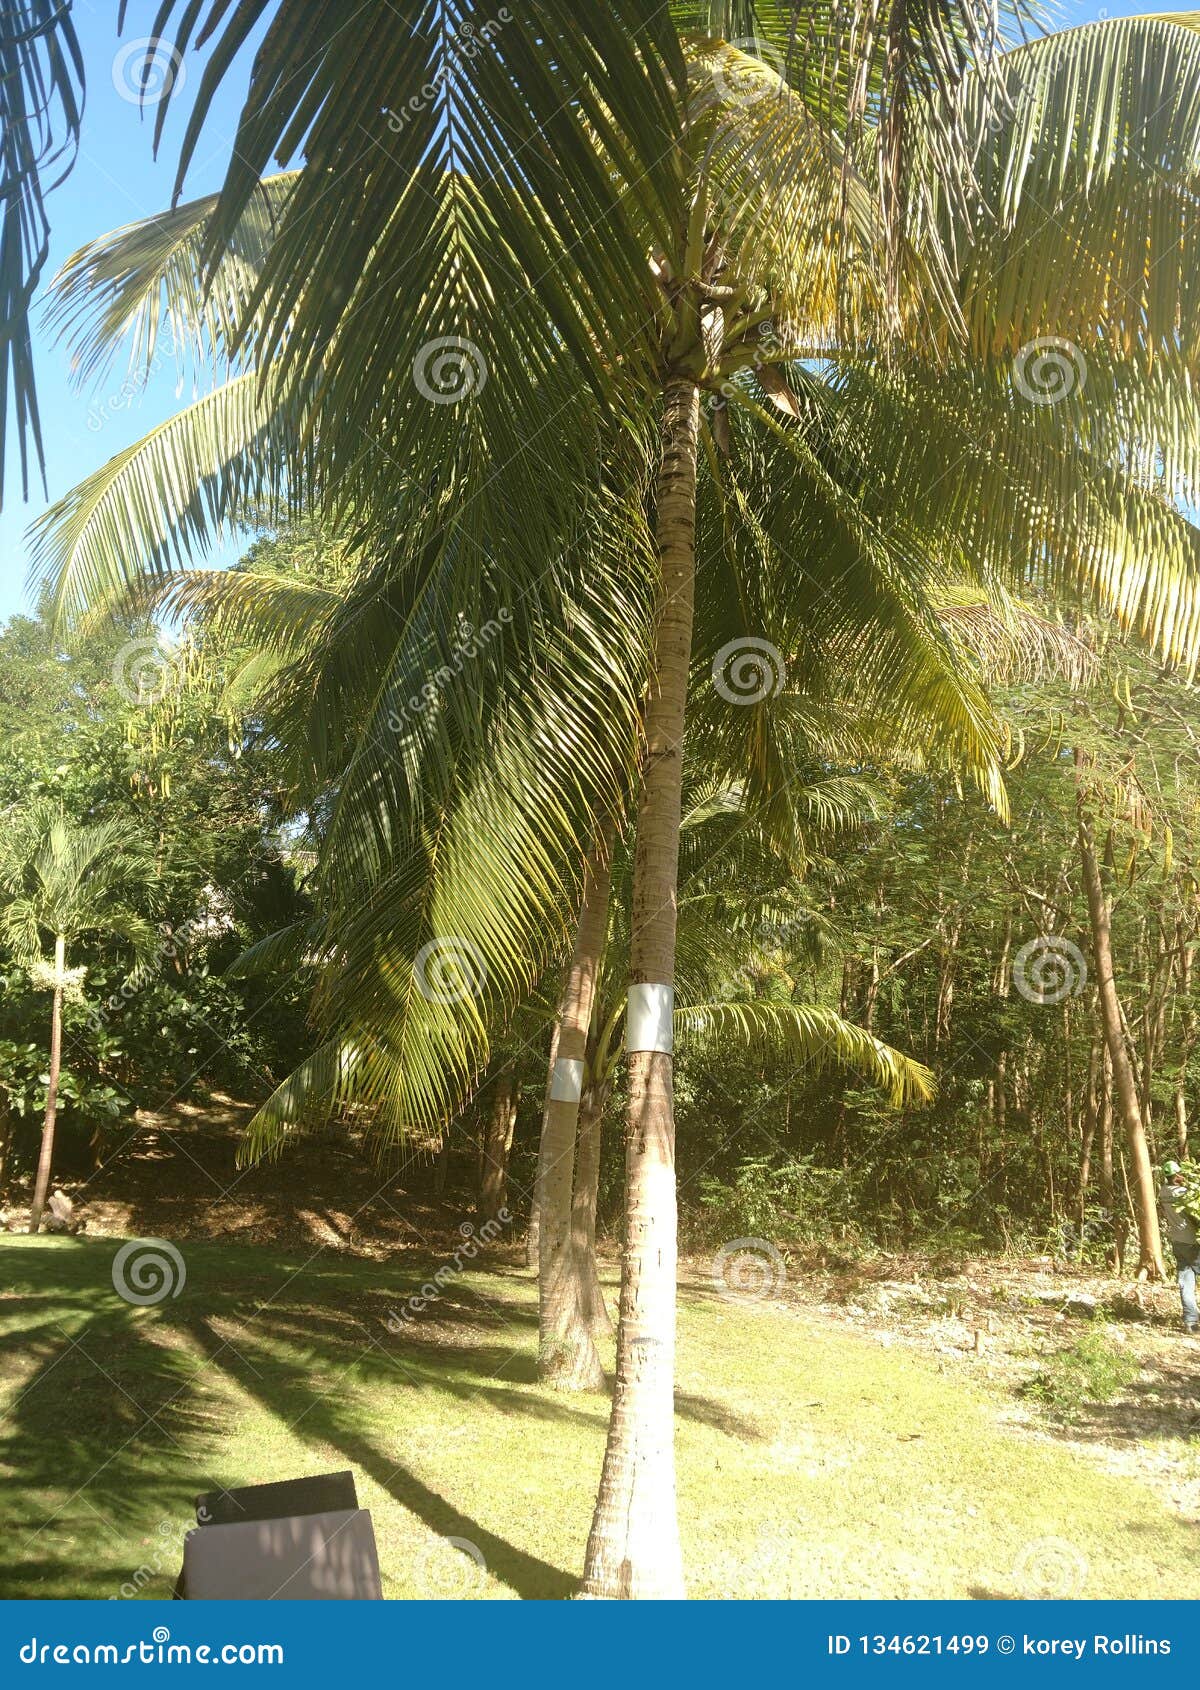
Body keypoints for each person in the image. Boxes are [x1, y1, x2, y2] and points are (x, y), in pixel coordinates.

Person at [1158, 1161, 1200, 1333]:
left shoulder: (1162, 1192)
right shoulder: (1183, 1193)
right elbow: (1195, 1215)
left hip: (1177, 1241)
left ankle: (1190, 1322)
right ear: (1176, 1175)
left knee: (1186, 1282)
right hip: (1192, 1241)